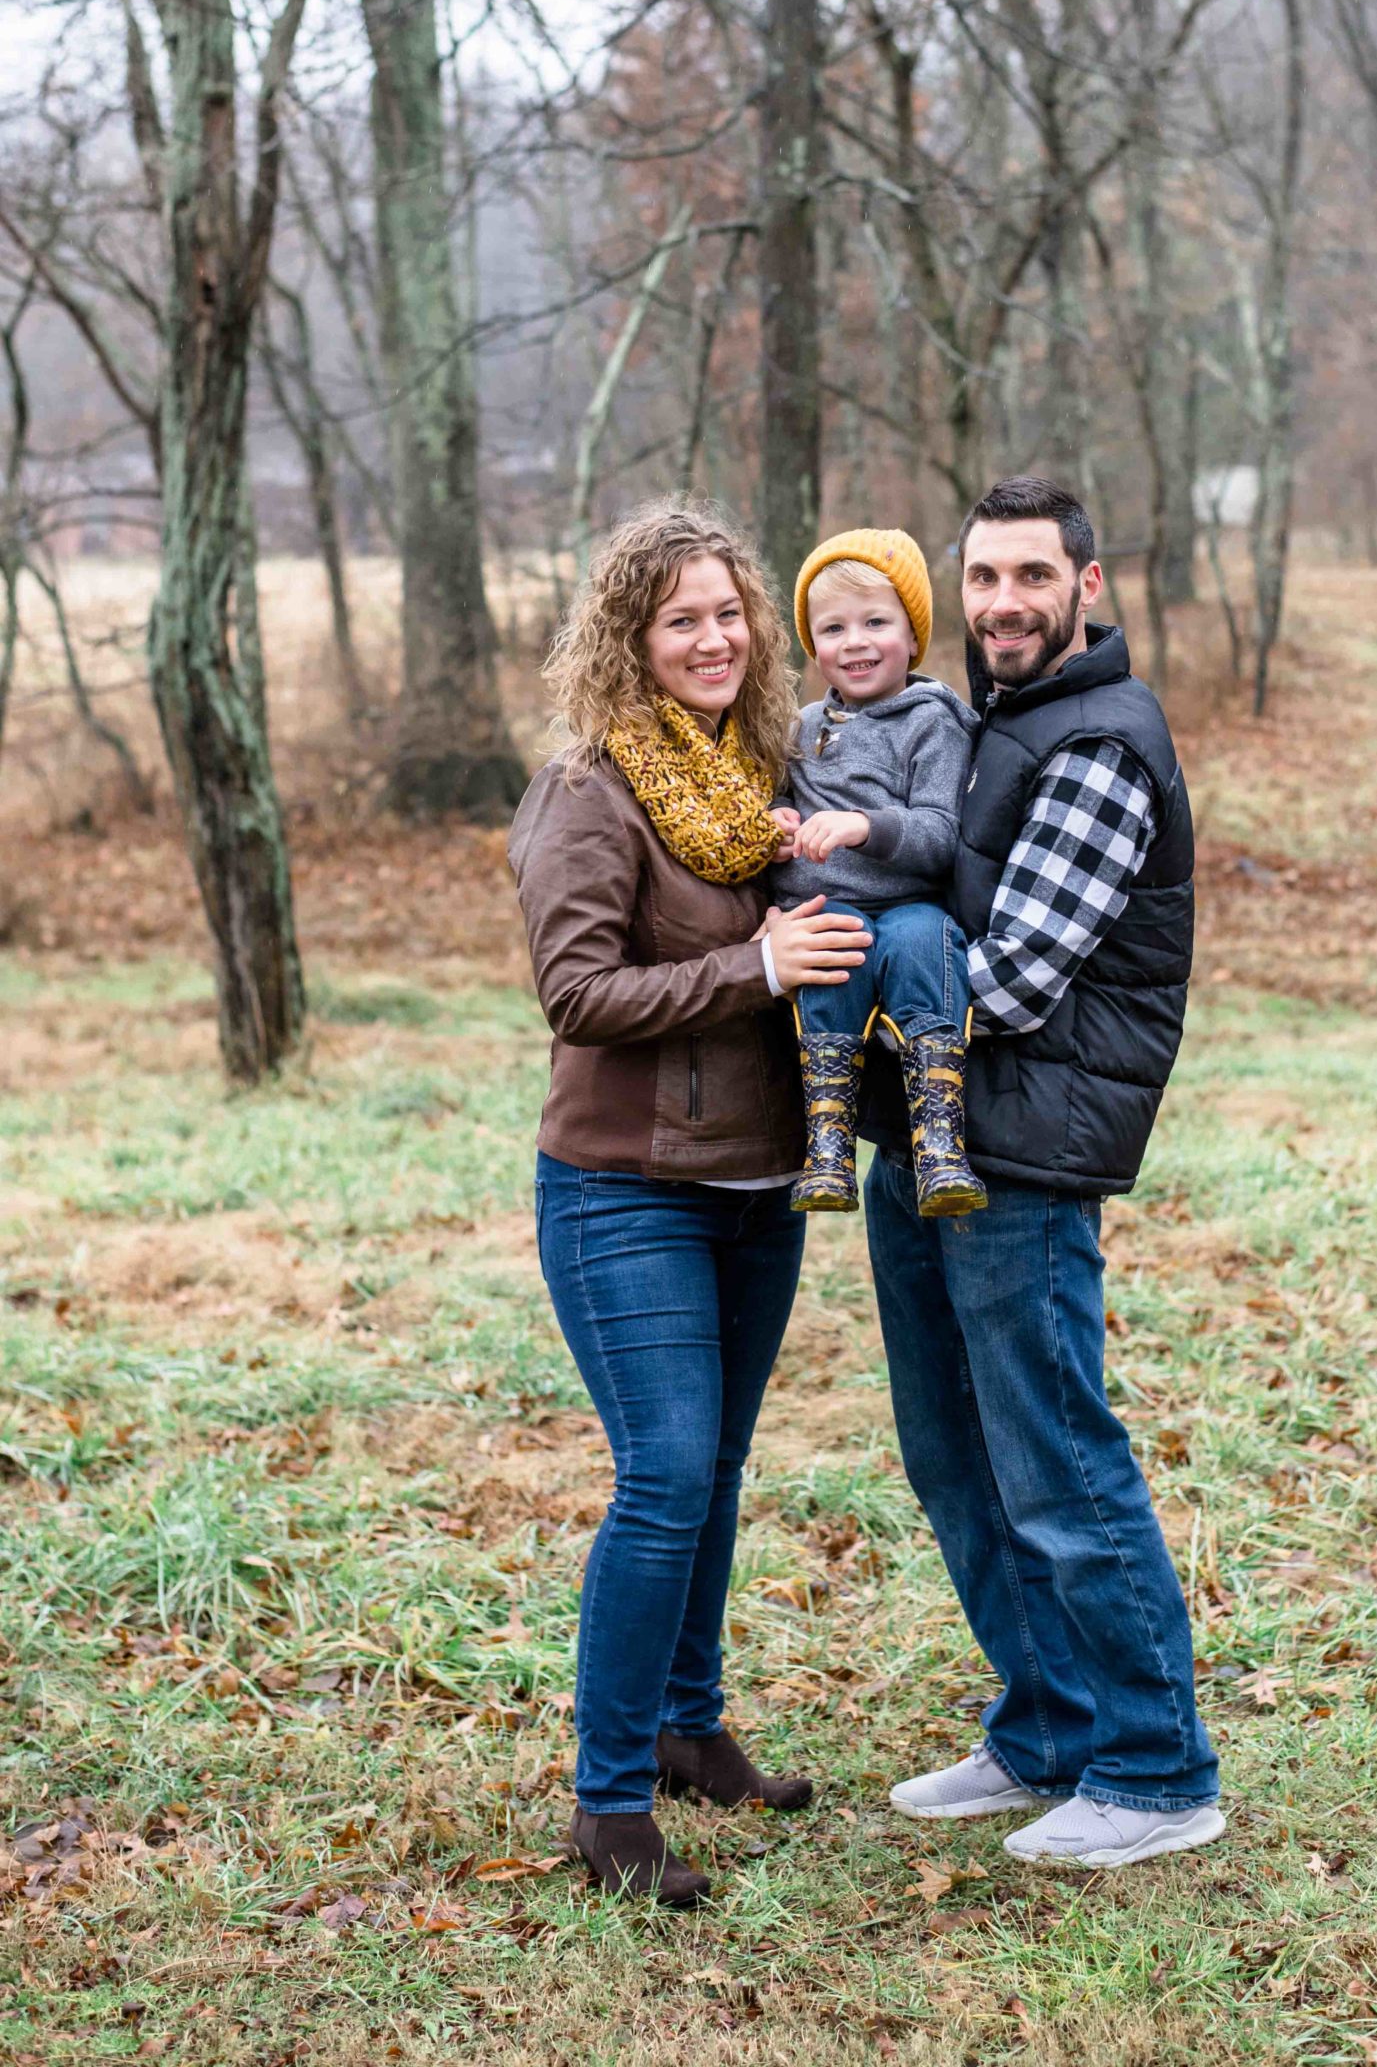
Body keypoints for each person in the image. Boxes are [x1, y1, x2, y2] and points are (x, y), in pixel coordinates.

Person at [508, 499, 872, 1907]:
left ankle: (686, 1726)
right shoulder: (587, 793)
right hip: (625, 1190)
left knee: (713, 1469)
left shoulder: (764, 775)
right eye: (680, 620)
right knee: (662, 1475)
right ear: (630, 638)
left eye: (728, 613)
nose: (713, 639)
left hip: (758, 1188)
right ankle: (608, 1801)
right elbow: (577, 992)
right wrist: (757, 968)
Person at [864, 474, 1223, 1870]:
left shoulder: (1098, 743)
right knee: (955, 1454)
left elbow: (1007, 979)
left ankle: (1155, 1769)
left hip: (1017, 1152)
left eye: (1030, 576)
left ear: (1087, 583)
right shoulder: (996, 721)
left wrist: (847, 982)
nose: (1003, 602)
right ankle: (1049, 1726)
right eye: (983, 578)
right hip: (934, 1130)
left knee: (1056, 1459)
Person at [767, 526, 983, 1219]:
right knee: (828, 946)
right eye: (833, 628)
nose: (854, 642)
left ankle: (939, 1138)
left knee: (923, 941)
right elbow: (772, 806)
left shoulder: (933, 721)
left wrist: (866, 825)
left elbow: (941, 834)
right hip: (826, 904)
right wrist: (775, 829)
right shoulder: (800, 727)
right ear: (812, 644)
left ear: (913, 634)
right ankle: (828, 1143)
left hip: (907, 902)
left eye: (875, 623)